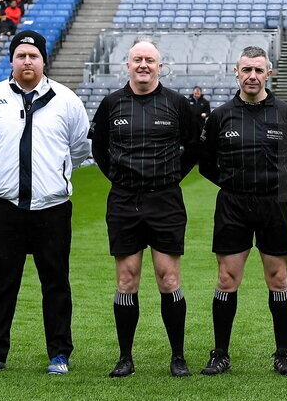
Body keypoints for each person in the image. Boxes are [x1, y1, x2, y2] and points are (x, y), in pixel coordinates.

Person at [0, 31, 91, 375]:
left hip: (51, 208)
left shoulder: (66, 100)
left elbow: (79, 149)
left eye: (33, 56)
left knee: (55, 283)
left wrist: (54, 175)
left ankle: (59, 354)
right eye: (20, 55)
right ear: (11, 60)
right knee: (2, 283)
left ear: (44, 60)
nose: (27, 62)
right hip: (5, 208)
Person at [197, 46, 287, 376]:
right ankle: (220, 353)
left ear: (268, 73)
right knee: (226, 279)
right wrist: (231, 182)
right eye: (246, 69)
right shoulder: (221, 116)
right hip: (233, 204)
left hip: (274, 205)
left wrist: (284, 184)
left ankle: (282, 353)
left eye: (258, 70)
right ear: (236, 72)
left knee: (278, 279)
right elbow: (205, 162)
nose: (252, 76)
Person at [90, 39, 200, 378]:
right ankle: (125, 357)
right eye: (137, 59)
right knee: (127, 280)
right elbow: (99, 149)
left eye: (149, 60)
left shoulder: (177, 104)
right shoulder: (111, 104)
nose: (143, 65)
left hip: (164, 200)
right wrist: (120, 177)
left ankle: (178, 356)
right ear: (127, 65)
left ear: (160, 66)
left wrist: (168, 178)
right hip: (124, 200)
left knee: (169, 279)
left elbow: (193, 148)